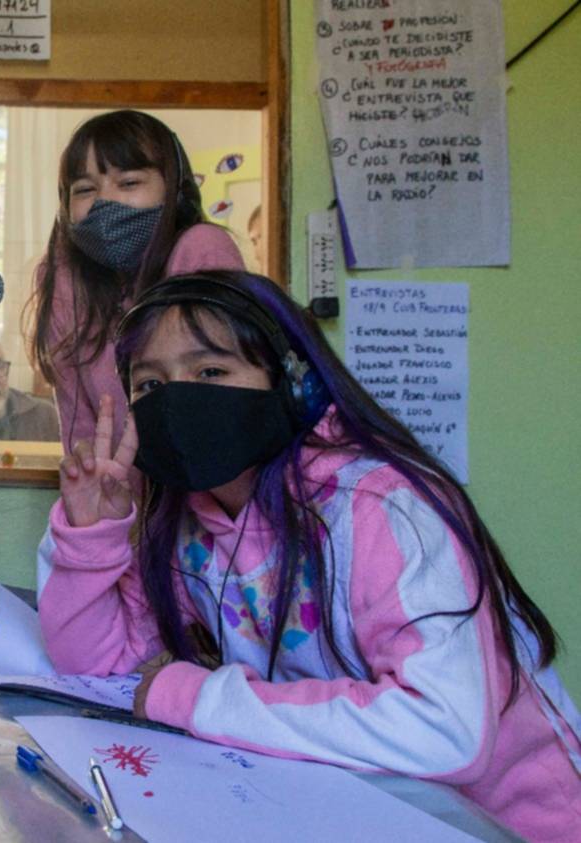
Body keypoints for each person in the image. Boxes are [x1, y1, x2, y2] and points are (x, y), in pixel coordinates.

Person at [37, 270, 581, 840]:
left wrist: (196, 697)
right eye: (149, 385)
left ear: (293, 385)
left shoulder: (382, 509)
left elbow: (446, 730)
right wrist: (93, 532)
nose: (176, 400)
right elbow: (98, 668)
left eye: (211, 371)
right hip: (353, 811)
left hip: (509, 826)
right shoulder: (185, 521)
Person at [28, 110, 244, 450]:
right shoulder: (64, 279)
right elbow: (79, 428)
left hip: (204, 489)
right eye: (84, 189)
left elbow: (221, 407)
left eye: (129, 183)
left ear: (173, 190)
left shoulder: (201, 248)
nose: (104, 203)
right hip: (116, 498)